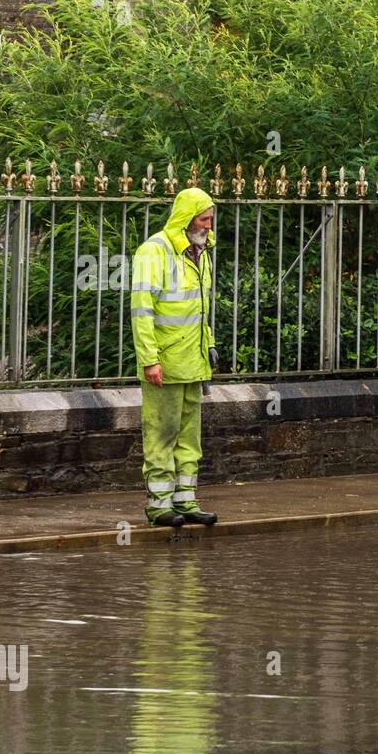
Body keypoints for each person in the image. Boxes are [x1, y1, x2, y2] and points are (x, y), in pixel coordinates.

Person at [130, 187, 219, 528]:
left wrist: (208, 345)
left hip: (193, 364)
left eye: (210, 219)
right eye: (204, 218)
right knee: (161, 434)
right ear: (187, 218)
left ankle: (186, 501)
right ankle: (159, 505)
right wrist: (149, 359)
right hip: (164, 364)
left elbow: (200, 311)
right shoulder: (155, 251)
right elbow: (141, 311)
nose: (209, 225)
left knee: (188, 438)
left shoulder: (201, 253)